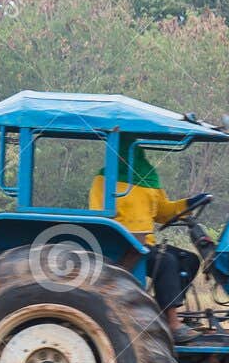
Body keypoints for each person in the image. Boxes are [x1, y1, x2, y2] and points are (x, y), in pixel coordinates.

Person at [89, 140, 210, 342]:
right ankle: (172, 323)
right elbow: (97, 214)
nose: (127, 156)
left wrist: (190, 203)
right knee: (167, 262)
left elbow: (163, 212)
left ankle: (162, 314)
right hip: (122, 243)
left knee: (188, 259)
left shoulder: (150, 179)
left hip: (147, 244)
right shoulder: (104, 178)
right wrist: (123, 235)